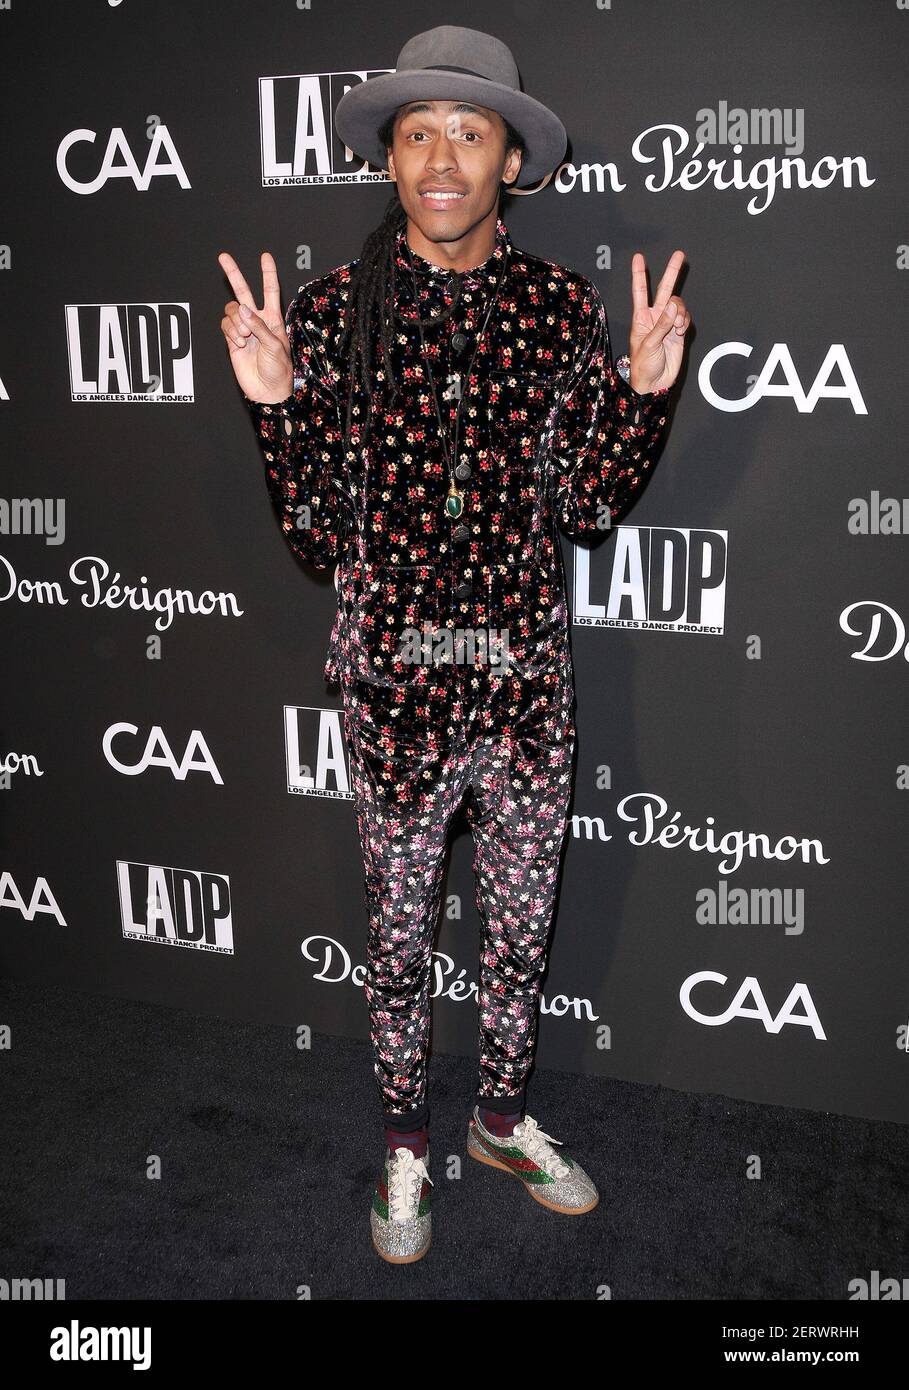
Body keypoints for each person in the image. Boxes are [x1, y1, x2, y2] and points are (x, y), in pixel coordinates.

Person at [218, 23, 689, 1265]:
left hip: (528, 684)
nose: (440, 155)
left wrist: (641, 397)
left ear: (510, 166)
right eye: (417, 131)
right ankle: (406, 1147)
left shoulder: (552, 309)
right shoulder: (330, 314)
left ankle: (498, 1120)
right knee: (399, 938)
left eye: (468, 132)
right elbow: (318, 532)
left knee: (523, 934)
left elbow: (588, 505)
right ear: (390, 160)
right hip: (396, 688)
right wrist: (275, 409)